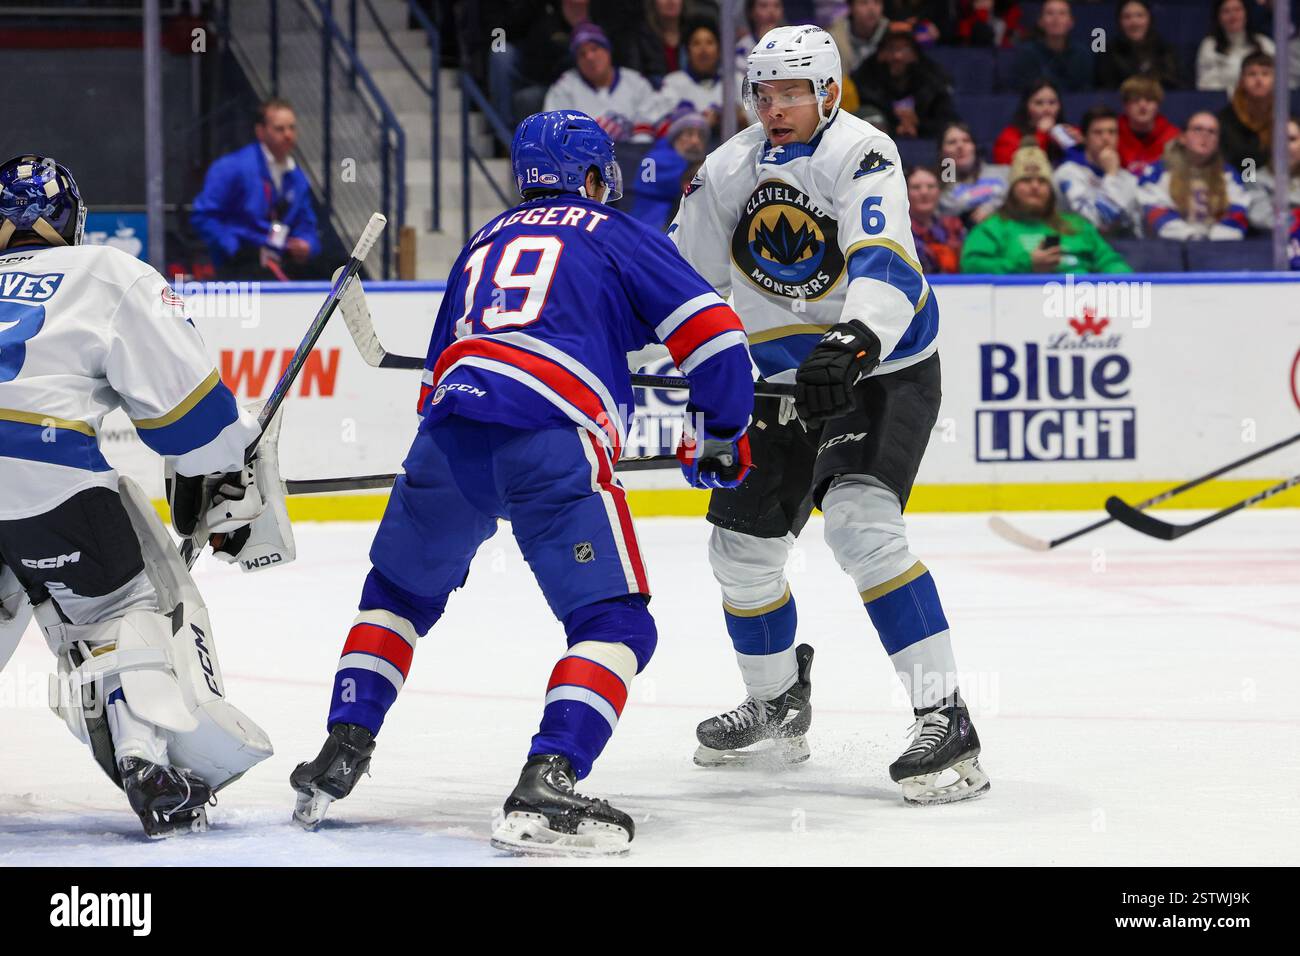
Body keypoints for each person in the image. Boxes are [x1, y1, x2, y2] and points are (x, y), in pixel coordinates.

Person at [289, 111, 756, 856]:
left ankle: (343, 745)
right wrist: (721, 433)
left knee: (399, 597)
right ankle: (550, 776)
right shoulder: (612, 230)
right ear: (596, 176)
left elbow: (441, 372)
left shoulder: (483, 239)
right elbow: (717, 339)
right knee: (616, 625)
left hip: (447, 438)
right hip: (552, 443)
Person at [668, 24, 990, 805]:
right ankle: (778, 707)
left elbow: (882, 260)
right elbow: (678, 285)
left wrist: (852, 340)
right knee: (738, 550)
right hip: (778, 383)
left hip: (880, 366)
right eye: (763, 94)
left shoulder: (863, 151)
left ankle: (946, 719)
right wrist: (697, 394)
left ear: (828, 92)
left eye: (791, 92)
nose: (774, 108)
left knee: (860, 525)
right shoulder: (725, 170)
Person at [0, 154, 286, 838]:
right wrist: (230, 470)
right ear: (70, 220)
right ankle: (142, 758)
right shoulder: (104, 272)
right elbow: (191, 419)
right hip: (42, 472)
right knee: (125, 607)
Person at [190, 98, 323, 281]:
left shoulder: (298, 177)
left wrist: (307, 245)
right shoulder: (232, 168)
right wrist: (236, 248)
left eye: (292, 128)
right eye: (280, 129)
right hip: (236, 270)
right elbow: (203, 216)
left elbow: (306, 225)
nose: (288, 135)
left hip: (278, 267)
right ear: (260, 132)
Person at [960, 142, 1134, 272]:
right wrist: (1027, 265)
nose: (1035, 186)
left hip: (1082, 309)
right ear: (1012, 189)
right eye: (1026, 180)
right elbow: (972, 267)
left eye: (1042, 181)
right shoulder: (992, 228)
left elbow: (1111, 263)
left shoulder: (1077, 226)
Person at [1137, 110, 1251, 239]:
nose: (1205, 135)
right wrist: (1190, 236)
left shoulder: (1229, 175)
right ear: (1182, 138)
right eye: (1198, 129)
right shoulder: (1158, 172)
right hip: (1168, 249)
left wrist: (1218, 239)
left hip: (1219, 249)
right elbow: (1154, 210)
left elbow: (1239, 211)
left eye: (1212, 132)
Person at [544, 22, 663, 142]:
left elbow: (647, 133)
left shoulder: (636, 82)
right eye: (582, 54)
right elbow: (554, 136)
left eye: (594, 49)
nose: (589, 57)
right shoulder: (564, 88)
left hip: (633, 156)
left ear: (608, 51)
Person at [851, 29, 958, 139]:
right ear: (880, 54)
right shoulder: (862, 84)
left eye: (904, 49)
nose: (897, 56)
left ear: (916, 54)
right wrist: (893, 126)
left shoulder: (935, 84)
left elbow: (949, 123)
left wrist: (919, 124)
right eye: (891, 49)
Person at [1054, 105, 1142, 237]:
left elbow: (1136, 232)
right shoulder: (1068, 173)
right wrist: (1111, 176)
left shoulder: (1128, 179)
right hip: (1076, 248)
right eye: (1098, 132)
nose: (1106, 138)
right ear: (1084, 138)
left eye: (1112, 132)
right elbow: (1093, 223)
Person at [629, 108, 710, 228]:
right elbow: (689, 179)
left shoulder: (698, 162)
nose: (695, 141)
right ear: (675, 138)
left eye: (700, 136)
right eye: (689, 134)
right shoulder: (654, 159)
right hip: (650, 227)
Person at [656, 19, 738, 136]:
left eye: (709, 42)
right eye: (696, 43)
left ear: (719, 50)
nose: (703, 49)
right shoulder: (673, 82)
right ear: (688, 51)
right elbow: (662, 129)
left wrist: (738, 117)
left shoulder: (735, 80)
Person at [1095, 0, 1182, 90]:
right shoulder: (1108, 52)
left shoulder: (1165, 49)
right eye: (1127, 17)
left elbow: (1175, 83)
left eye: (1140, 16)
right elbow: (1106, 89)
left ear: (1149, 19)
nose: (1134, 22)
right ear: (1119, 22)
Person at [1009, 0, 1093, 92]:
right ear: (1040, 22)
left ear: (1071, 22)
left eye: (1062, 13)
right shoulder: (1027, 54)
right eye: (1050, 13)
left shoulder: (1082, 54)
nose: (1056, 18)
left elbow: (1086, 92)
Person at [936, 121, 1009, 225]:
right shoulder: (941, 188)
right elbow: (951, 209)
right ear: (942, 152)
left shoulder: (1003, 172)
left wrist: (991, 206)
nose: (960, 146)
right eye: (952, 142)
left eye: (966, 140)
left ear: (974, 147)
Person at [992, 79, 1079, 165]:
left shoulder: (1071, 132)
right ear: (1027, 106)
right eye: (1039, 103)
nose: (1047, 109)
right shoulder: (1010, 135)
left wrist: (1081, 144)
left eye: (1052, 103)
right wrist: (1041, 135)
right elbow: (1011, 166)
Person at [1196, 0, 1274, 92]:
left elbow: (1278, 79)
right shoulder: (1209, 46)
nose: (1233, 16)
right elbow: (1205, 85)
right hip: (1222, 103)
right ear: (1218, 17)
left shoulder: (1264, 43)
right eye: (1226, 11)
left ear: (1246, 13)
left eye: (1237, 10)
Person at [1217, 51, 1277, 169]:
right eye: (1252, 74)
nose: (1259, 80)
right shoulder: (1225, 120)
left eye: (1265, 74)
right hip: (1236, 182)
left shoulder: (1284, 118)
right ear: (1242, 80)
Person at [613, 0, 689, 85]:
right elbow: (635, 79)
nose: (670, 1)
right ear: (653, 3)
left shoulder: (694, 32)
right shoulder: (639, 37)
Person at [908, 165, 966, 272]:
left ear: (939, 192)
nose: (924, 192)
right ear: (905, 193)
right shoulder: (898, 230)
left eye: (931, 186)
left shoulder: (953, 227)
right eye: (916, 187)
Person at [1116, 75, 1180, 174]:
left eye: (1149, 99)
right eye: (1135, 100)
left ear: (1158, 105)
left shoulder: (1173, 137)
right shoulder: (1111, 133)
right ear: (1125, 105)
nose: (1142, 105)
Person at [829, 0, 892, 73]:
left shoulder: (890, 33)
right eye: (864, 3)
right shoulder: (834, 38)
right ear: (851, 8)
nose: (871, 9)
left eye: (877, 2)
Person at [953, 0, 1024, 47]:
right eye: (980, 1)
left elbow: (1010, 42)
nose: (984, 3)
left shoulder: (1001, 22)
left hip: (998, 56)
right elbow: (964, 43)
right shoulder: (965, 23)